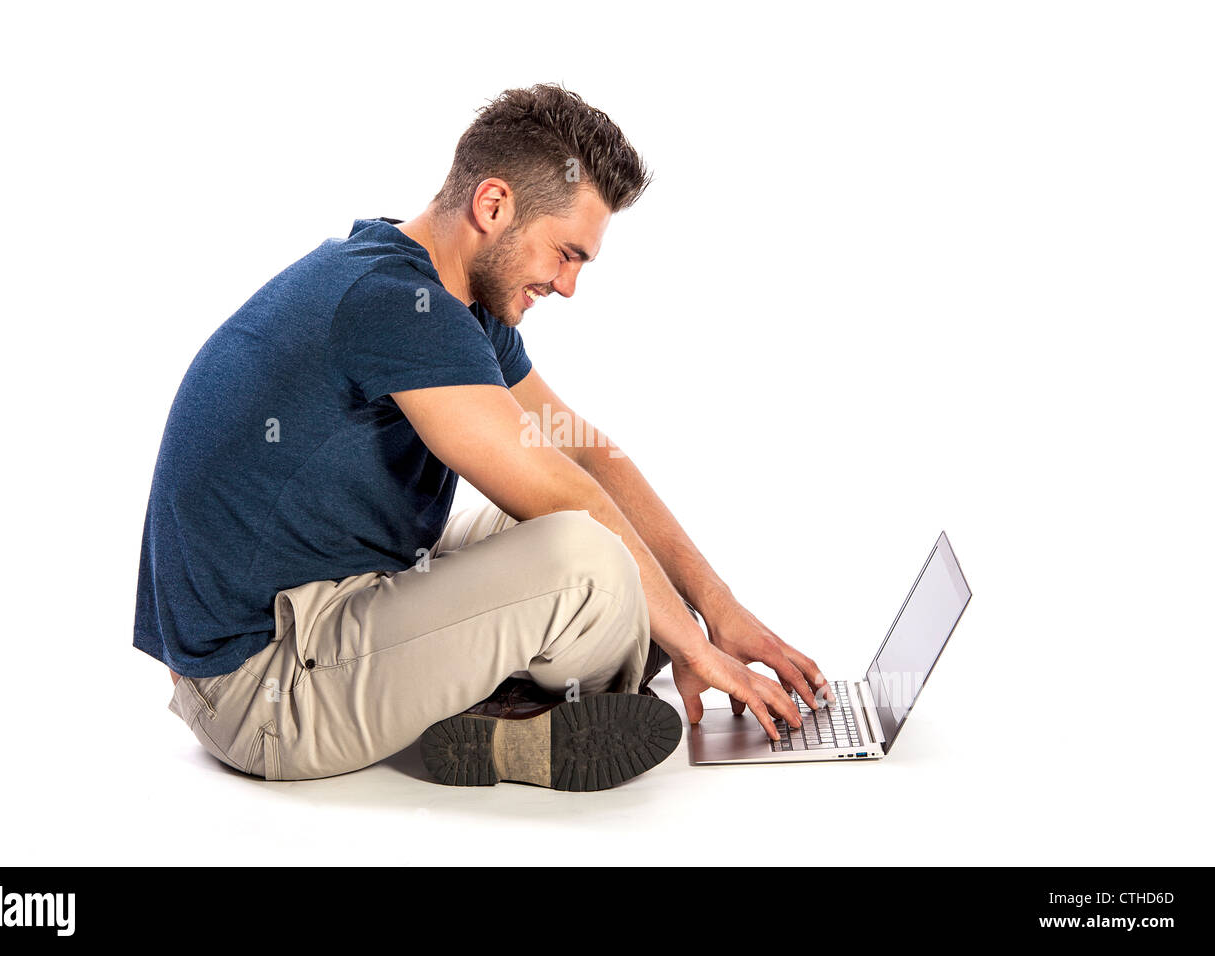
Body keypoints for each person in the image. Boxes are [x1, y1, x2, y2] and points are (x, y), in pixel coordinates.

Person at [136, 83, 834, 791]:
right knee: (588, 560)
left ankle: (503, 691)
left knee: (595, 542)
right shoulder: (397, 306)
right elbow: (567, 495)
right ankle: (510, 717)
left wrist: (721, 613)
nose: (567, 286)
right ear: (493, 204)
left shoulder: (442, 291)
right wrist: (693, 646)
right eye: (566, 254)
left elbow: (582, 452)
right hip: (263, 693)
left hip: (336, 605)